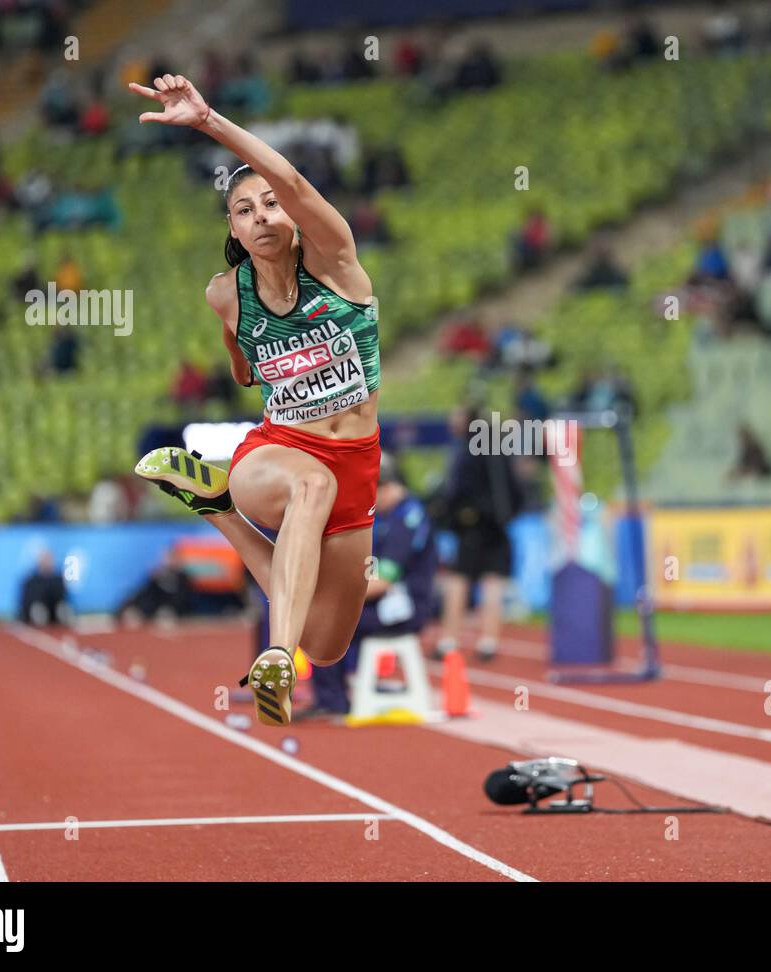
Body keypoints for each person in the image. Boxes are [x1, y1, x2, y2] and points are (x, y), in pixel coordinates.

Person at [128, 73, 381, 725]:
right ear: (234, 231)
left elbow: (294, 182)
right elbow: (239, 361)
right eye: (246, 209)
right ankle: (275, 658)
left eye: (271, 205)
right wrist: (248, 362)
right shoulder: (225, 293)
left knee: (327, 644)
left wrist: (208, 120)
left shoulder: (337, 265)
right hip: (277, 451)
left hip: (358, 460)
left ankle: (215, 508)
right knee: (309, 488)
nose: (264, 214)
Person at [304, 452, 438, 718]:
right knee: (323, 614)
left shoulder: (408, 518)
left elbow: (383, 582)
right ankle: (339, 693)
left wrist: (332, 596)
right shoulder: (388, 515)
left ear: (385, 487)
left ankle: (333, 701)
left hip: (403, 607)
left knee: (323, 621)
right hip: (384, 602)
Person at [432, 406, 524, 661]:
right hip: (498, 525)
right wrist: (507, 515)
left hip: (471, 524)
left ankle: (449, 641)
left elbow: (456, 489)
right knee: (493, 582)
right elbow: (516, 487)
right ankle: (489, 642)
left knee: (458, 578)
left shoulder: (466, 450)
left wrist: (448, 515)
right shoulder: (499, 448)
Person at [19, 549, 72, 626]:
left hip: (54, 612)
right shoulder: (31, 580)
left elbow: (62, 598)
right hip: (38, 612)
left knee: (63, 608)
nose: (48, 562)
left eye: (49, 559)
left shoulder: (58, 579)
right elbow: (27, 601)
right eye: (45, 560)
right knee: (38, 609)